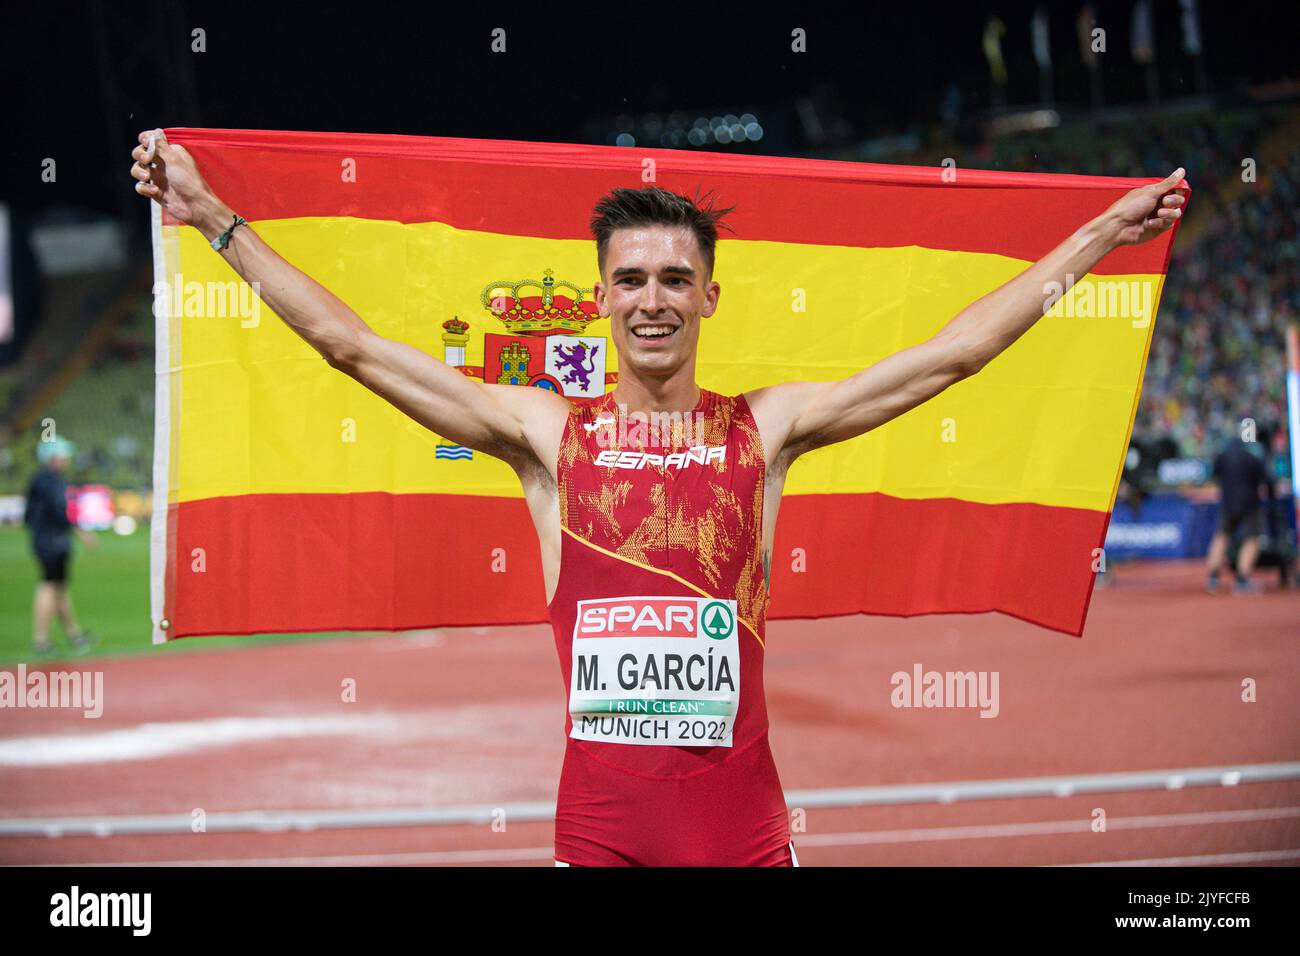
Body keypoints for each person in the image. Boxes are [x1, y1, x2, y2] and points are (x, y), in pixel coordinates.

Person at [130, 128, 1185, 866]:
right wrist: (213, 214)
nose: (651, 300)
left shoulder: (764, 430)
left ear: (709, 297)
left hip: (743, 831)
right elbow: (350, 344)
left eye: (674, 279)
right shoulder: (547, 435)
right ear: (599, 294)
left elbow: (953, 354)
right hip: (599, 832)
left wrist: (1097, 237)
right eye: (629, 279)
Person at [24, 437, 97, 657]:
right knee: (49, 586)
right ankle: (41, 640)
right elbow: (61, 510)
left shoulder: (38, 479)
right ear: (54, 458)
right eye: (64, 456)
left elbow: (28, 515)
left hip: (42, 539)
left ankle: (74, 635)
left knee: (59, 588)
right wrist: (82, 533)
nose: (67, 460)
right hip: (53, 541)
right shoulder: (53, 481)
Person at [1205, 428, 1271, 594]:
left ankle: (1213, 577)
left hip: (1227, 501)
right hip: (1250, 502)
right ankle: (1242, 579)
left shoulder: (1225, 450)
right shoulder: (1255, 451)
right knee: (1252, 538)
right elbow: (1266, 478)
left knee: (1222, 535)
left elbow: (1214, 472)